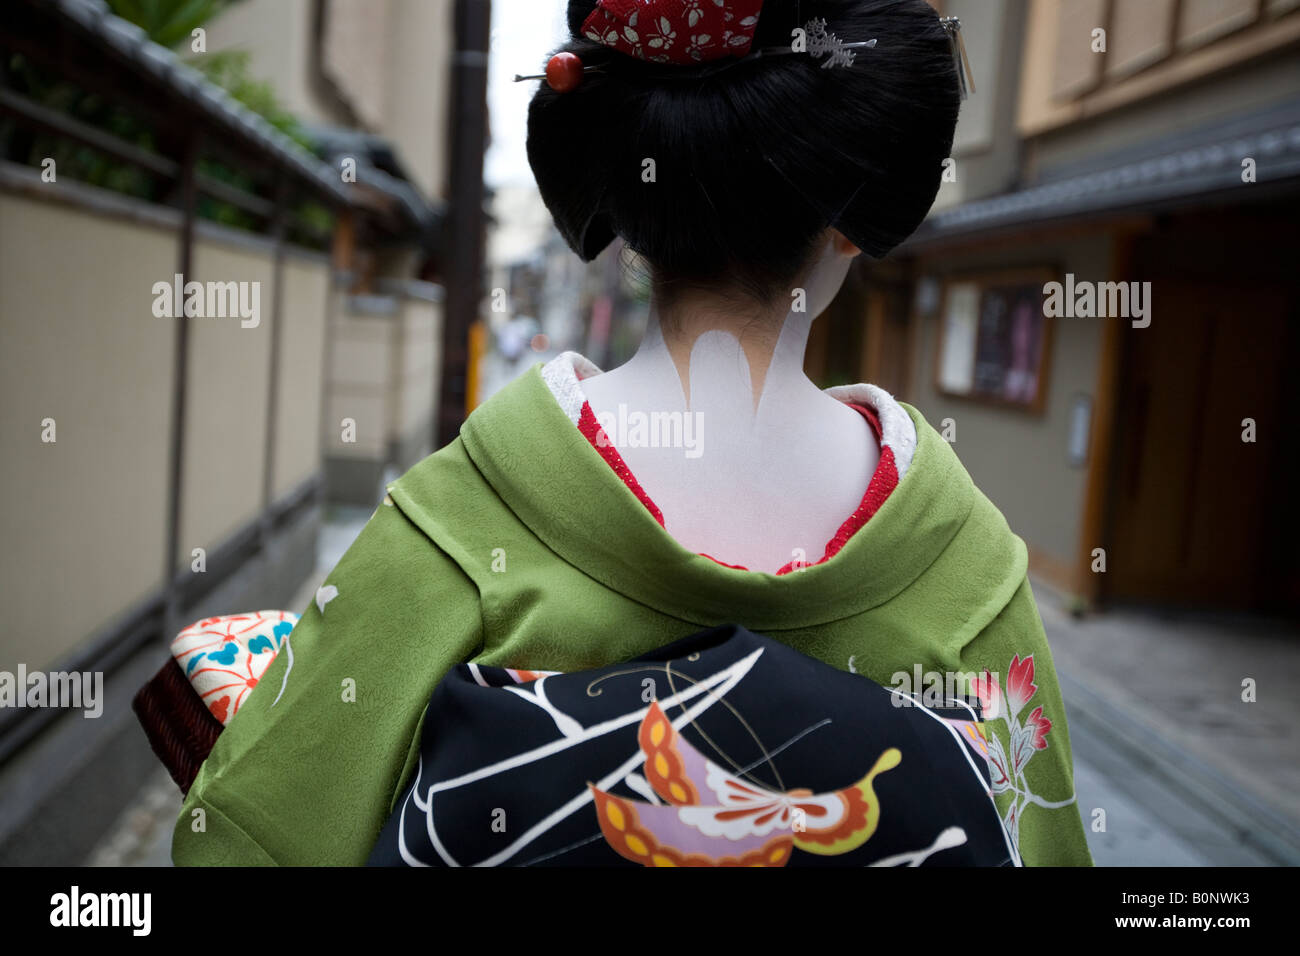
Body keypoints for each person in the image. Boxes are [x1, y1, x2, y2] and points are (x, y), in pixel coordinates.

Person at [171, 0, 1093, 866]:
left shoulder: (459, 528)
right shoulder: (964, 574)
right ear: (852, 221)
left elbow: (247, 837)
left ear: (631, 214)